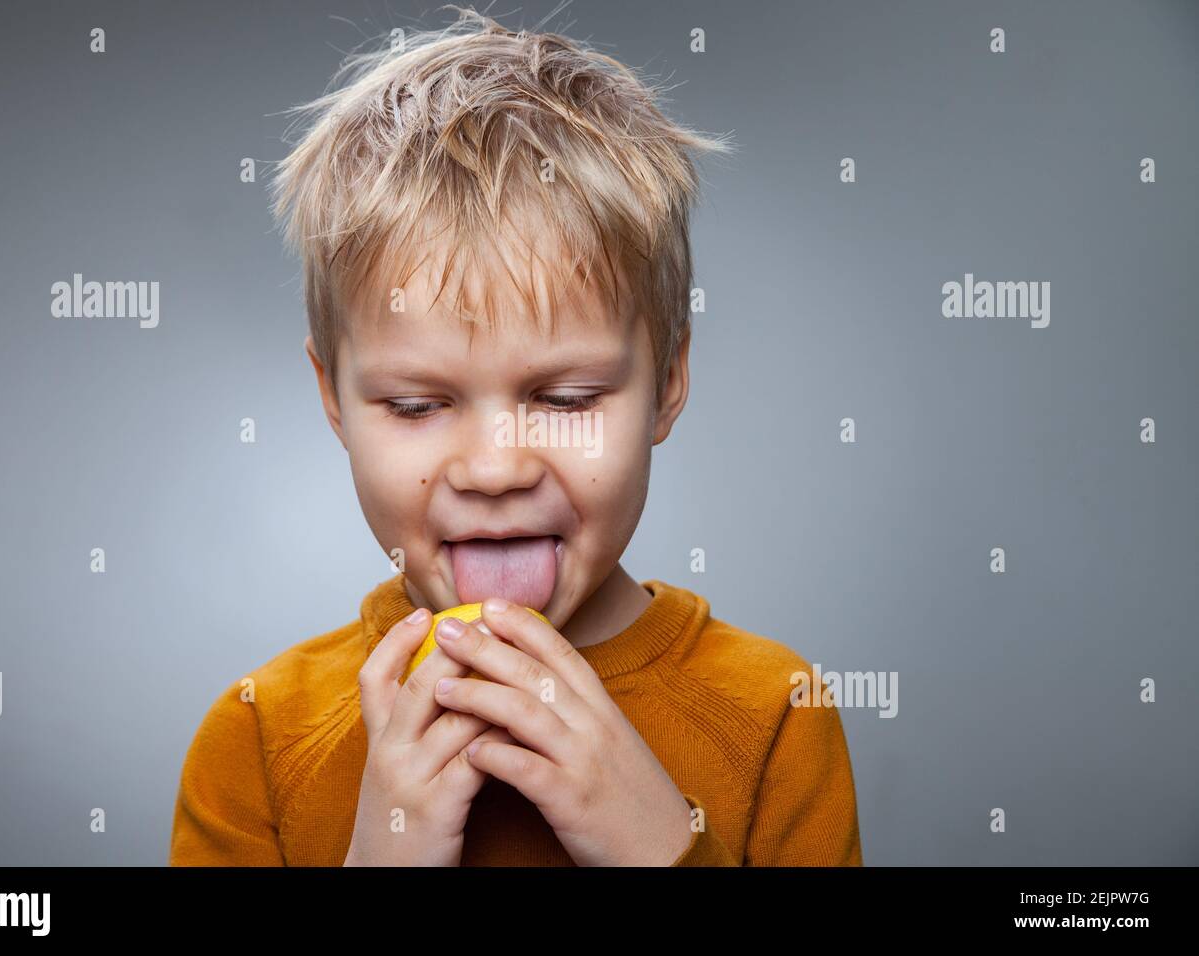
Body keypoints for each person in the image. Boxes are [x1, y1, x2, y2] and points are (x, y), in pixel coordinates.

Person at [170, 6, 861, 866]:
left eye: (566, 398)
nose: (495, 467)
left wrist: (662, 846)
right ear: (333, 399)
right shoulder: (258, 741)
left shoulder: (773, 717)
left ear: (669, 382)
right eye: (418, 406)